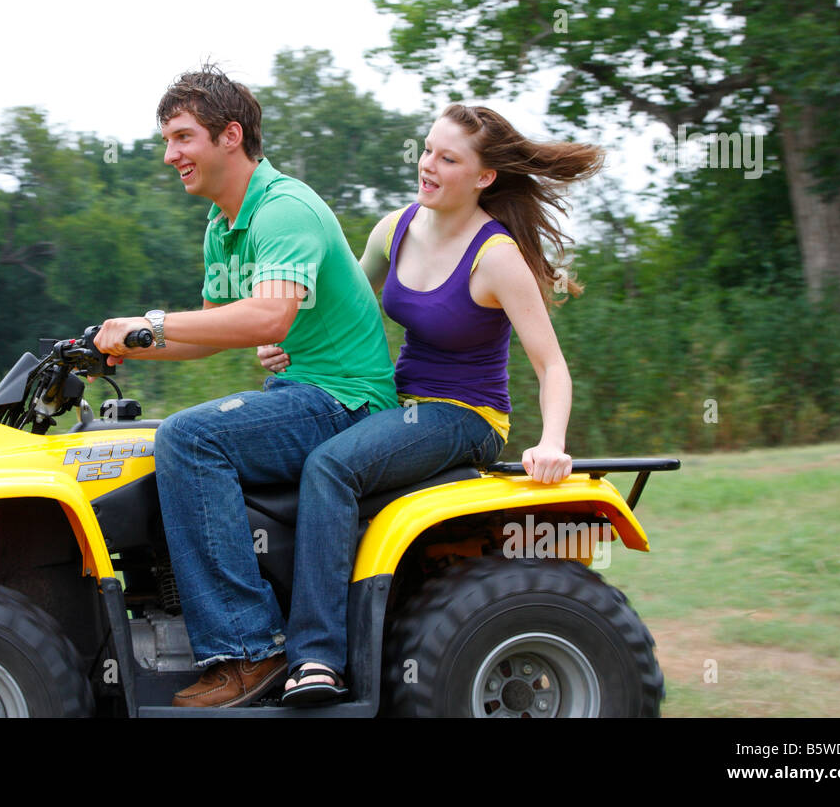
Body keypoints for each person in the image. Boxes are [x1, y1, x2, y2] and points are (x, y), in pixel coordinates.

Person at [258, 103, 602, 704]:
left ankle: (315, 660)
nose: (428, 166)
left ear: (484, 177)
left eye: (448, 158)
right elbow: (338, 301)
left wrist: (551, 443)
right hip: (391, 401)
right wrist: (282, 335)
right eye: (426, 150)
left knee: (332, 467)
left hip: (463, 415)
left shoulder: (495, 257)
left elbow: (551, 365)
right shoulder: (395, 228)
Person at [93, 65, 398, 708]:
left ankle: (252, 651)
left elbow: (267, 317)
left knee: (190, 438)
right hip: (301, 391)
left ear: (230, 136)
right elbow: (207, 332)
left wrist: (148, 323)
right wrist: (120, 346)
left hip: (346, 399)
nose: (170, 155)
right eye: (167, 140)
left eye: (182, 138)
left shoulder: (283, 209)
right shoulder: (222, 224)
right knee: (150, 438)